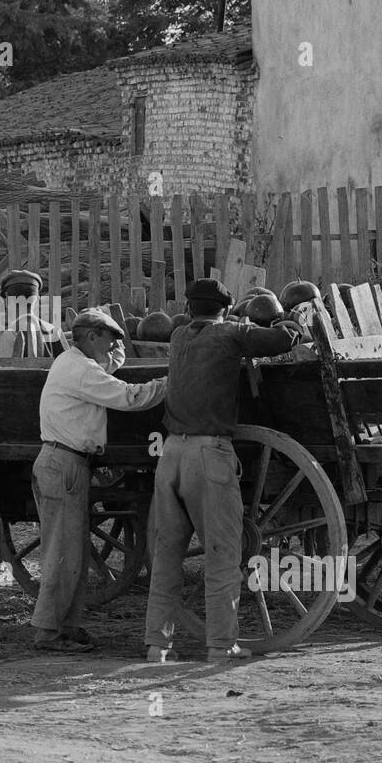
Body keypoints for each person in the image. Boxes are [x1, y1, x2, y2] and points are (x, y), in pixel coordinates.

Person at [144, 279, 303, 664]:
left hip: (170, 454)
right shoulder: (230, 333)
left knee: (166, 555)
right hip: (208, 454)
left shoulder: (179, 335)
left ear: (189, 306)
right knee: (222, 553)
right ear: (225, 309)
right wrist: (293, 324)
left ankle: (156, 646)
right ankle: (219, 645)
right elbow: (281, 341)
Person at [31, 308, 167, 653]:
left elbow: (108, 365)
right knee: (62, 552)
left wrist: (116, 344)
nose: (112, 349)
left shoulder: (77, 363)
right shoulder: (79, 370)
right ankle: (48, 633)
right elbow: (128, 397)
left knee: (72, 552)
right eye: (108, 340)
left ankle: (66, 626)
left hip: (67, 465)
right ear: (91, 337)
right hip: (64, 465)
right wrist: (174, 380)